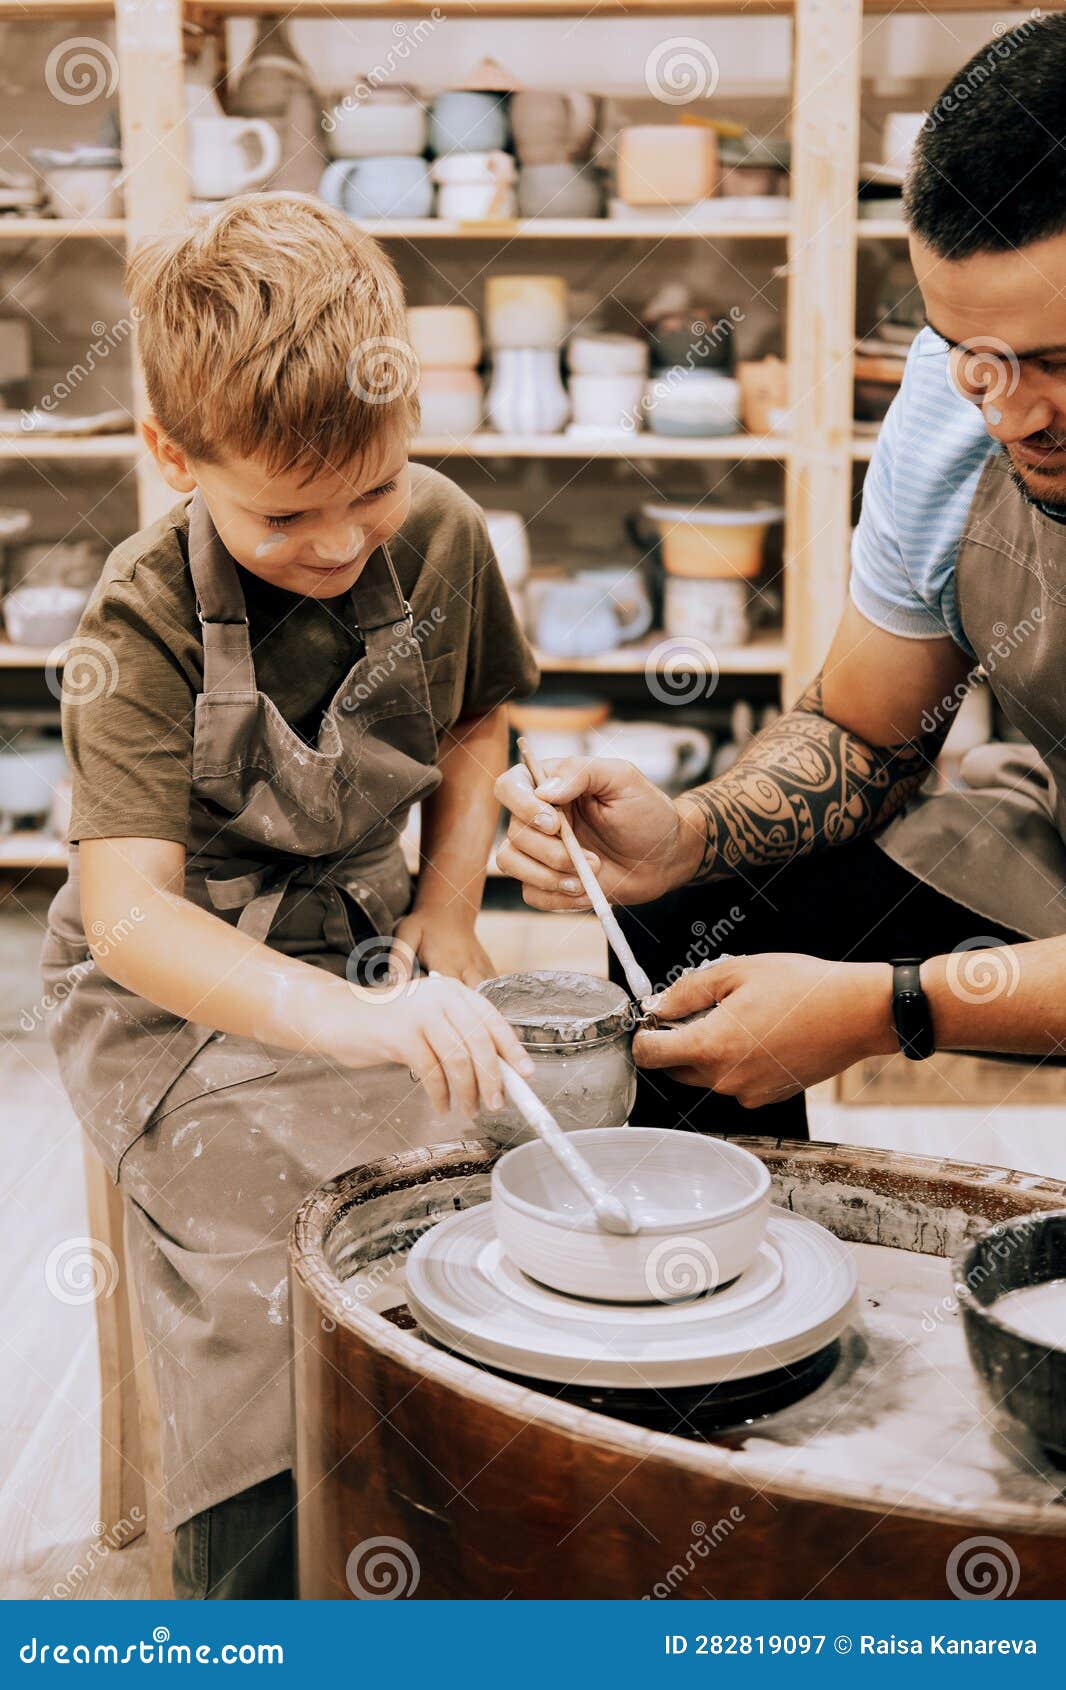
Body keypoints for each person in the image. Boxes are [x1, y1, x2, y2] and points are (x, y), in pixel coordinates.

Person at [41, 194, 538, 1598]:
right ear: (173, 455)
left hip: (372, 935)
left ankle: (473, 1532)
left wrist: (447, 910)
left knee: (513, 1165)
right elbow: (130, 917)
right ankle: (257, 1597)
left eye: (370, 490)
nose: (337, 542)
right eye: (283, 513)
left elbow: (474, 722)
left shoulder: (440, 534)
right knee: (275, 1244)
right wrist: (349, 1022)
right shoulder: (139, 616)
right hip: (166, 990)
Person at [496, 14, 1066, 1140]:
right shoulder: (950, 413)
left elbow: (885, 1006)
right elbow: (864, 736)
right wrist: (686, 835)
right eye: (971, 356)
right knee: (694, 917)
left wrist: (887, 1007)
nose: (1010, 414)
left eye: (1056, 362)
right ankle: (716, 1247)